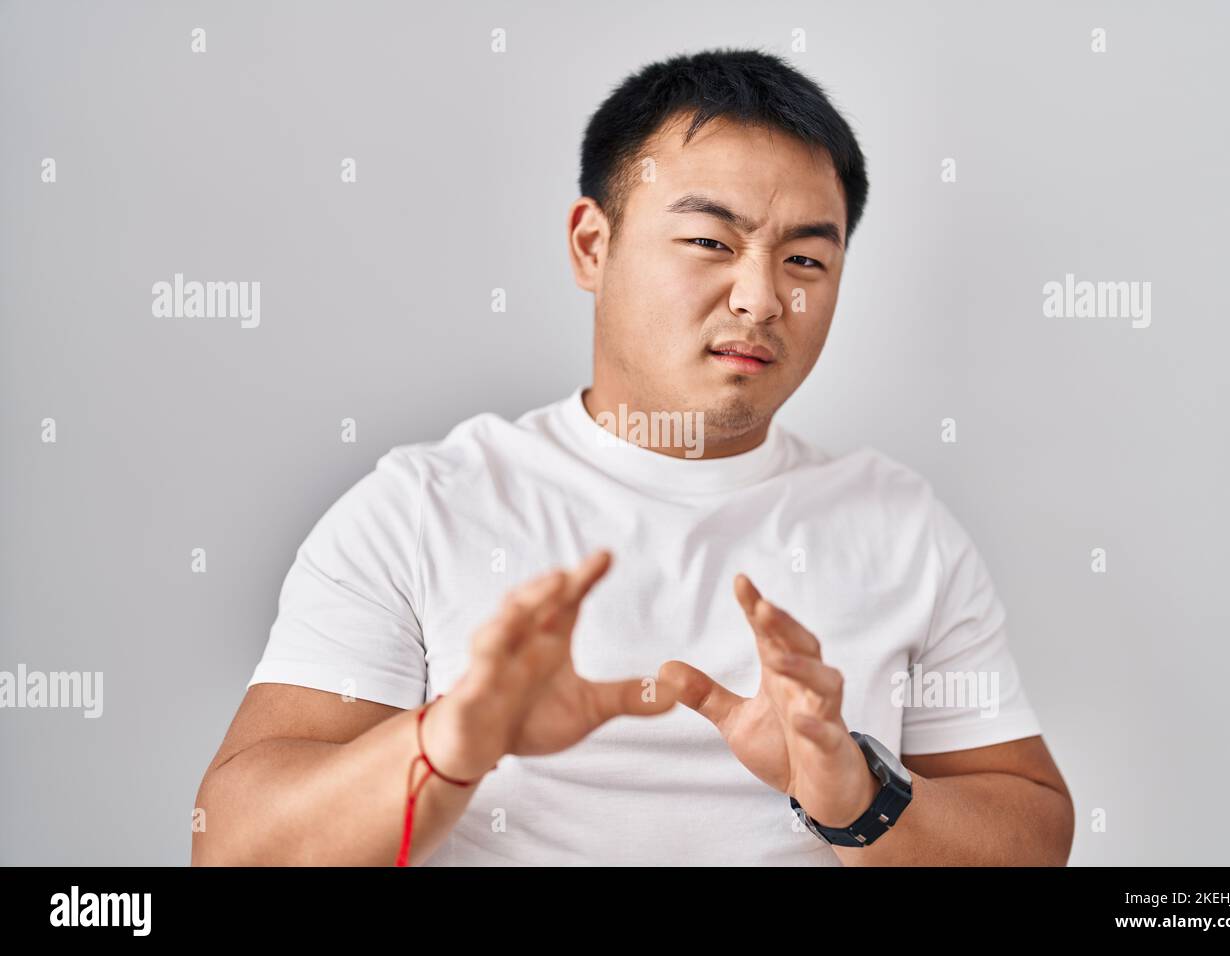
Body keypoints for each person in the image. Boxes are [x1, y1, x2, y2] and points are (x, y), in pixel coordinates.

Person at [192, 48, 1072, 867]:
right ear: (592, 245)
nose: (762, 299)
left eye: (806, 257)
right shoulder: (422, 509)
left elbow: (1032, 832)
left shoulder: (900, 525)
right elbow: (230, 845)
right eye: (710, 242)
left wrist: (853, 793)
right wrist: (455, 738)